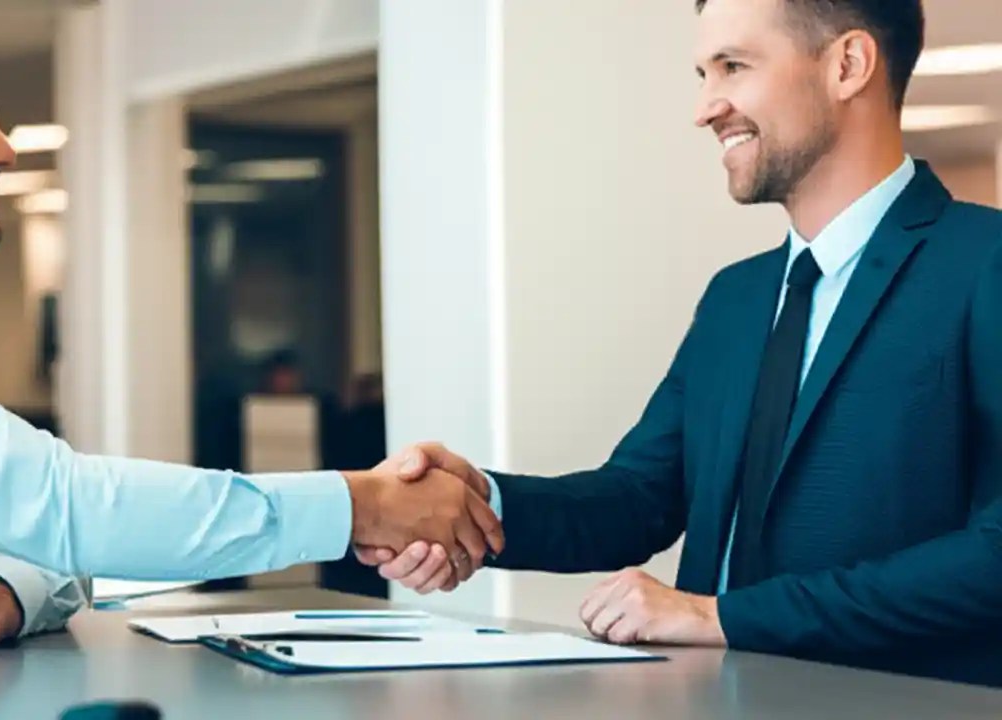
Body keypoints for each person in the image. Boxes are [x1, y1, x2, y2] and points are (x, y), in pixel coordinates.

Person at [0, 1, 502, 649]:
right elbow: (63, 507)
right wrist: (358, 505)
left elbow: (48, 542)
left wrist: (6, 582)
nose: (1, 146)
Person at [363, 0, 1002, 687]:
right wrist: (472, 504)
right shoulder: (737, 297)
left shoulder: (983, 263)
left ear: (847, 65)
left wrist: (723, 617)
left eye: (733, 66)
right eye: (703, 73)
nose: (705, 108)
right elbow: (639, 499)